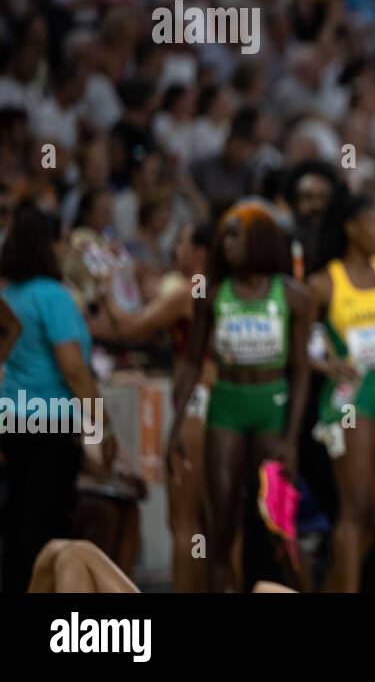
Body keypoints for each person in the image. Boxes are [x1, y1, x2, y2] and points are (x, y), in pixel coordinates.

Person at [168, 200, 310, 592]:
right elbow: (193, 364)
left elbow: (300, 371)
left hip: (273, 408)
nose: (227, 245)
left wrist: (291, 440)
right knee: (222, 523)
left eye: (236, 236)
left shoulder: (294, 296)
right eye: (224, 238)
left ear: (260, 241)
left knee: (276, 524)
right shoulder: (213, 297)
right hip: (226, 407)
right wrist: (176, 427)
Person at [88, 222, 212, 592]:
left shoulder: (189, 290)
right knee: (219, 522)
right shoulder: (230, 289)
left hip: (196, 407)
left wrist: (107, 286)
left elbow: (128, 329)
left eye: (183, 244)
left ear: (201, 254)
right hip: (230, 406)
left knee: (185, 520)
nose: (177, 253)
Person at [0, 201, 117, 593]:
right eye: (63, 240)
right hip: (50, 421)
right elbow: (72, 367)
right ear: (48, 245)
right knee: (47, 526)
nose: (67, 247)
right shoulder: (54, 297)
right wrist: (100, 423)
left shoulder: (10, 295)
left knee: (18, 519)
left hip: (11, 418)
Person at [308, 191, 375, 593]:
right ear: (351, 228)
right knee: (354, 506)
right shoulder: (325, 281)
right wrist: (324, 363)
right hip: (350, 397)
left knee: (372, 510)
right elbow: (303, 339)